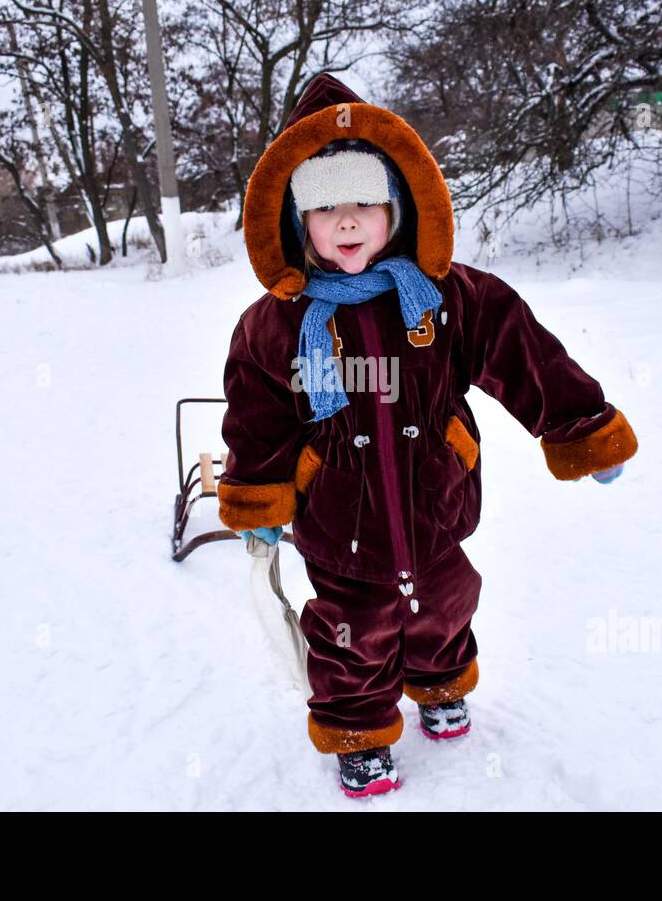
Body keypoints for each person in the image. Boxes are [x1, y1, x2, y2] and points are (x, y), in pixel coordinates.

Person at [219, 72, 639, 797]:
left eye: (364, 203)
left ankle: (441, 684)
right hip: (340, 524)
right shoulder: (275, 326)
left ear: (399, 208)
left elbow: (524, 353)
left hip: (436, 508)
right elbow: (257, 419)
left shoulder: (447, 300)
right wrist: (261, 506)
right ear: (296, 223)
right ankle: (358, 729)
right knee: (351, 638)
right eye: (324, 209)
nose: (346, 223)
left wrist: (580, 427)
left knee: (445, 606)